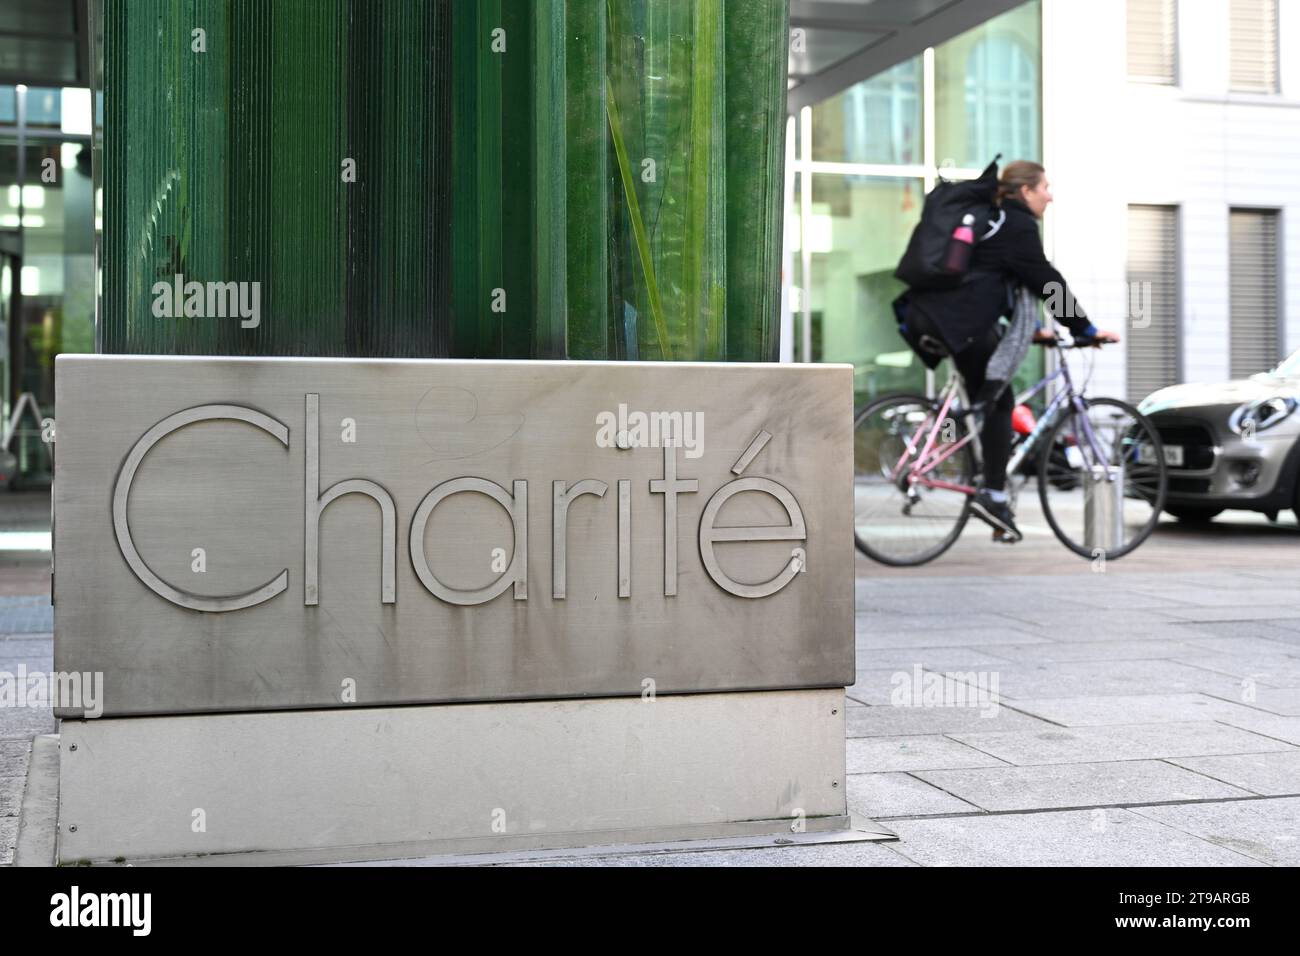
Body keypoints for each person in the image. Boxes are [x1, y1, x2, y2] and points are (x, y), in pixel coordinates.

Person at [909, 160, 1121, 542]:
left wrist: (1036, 331)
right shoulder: (1016, 224)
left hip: (935, 316)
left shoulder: (995, 221)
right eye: (1045, 188)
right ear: (1026, 191)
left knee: (988, 398)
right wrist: (1085, 329)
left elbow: (993, 282)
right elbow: (1046, 281)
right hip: (962, 324)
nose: (1049, 197)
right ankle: (992, 495)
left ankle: (982, 480)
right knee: (1001, 402)